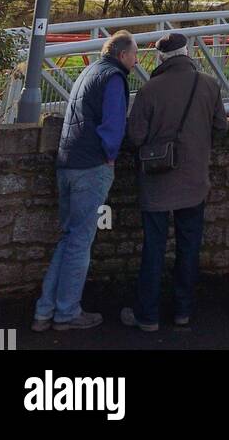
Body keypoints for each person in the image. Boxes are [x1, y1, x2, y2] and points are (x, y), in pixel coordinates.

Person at [122, 32, 228, 331]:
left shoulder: (149, 90)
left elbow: (135, 137)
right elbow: (221, 127)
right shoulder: (208, 84)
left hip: (156, 181)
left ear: (161, 58)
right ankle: (183, 311)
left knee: (153, 248)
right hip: (194, 181)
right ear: (188, 53)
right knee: (189, 246)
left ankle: (148, 316)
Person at [32, 30, 137, 332]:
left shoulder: (90, 70)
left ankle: (45, 311)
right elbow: (113, 125)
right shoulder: (114, 78)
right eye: (133, 54)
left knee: (68, 238)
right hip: (91, 166)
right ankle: (66, 313)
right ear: (121, 55)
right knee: (80, 242)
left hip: (67, 161)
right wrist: (111, 156)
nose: (136, 59)